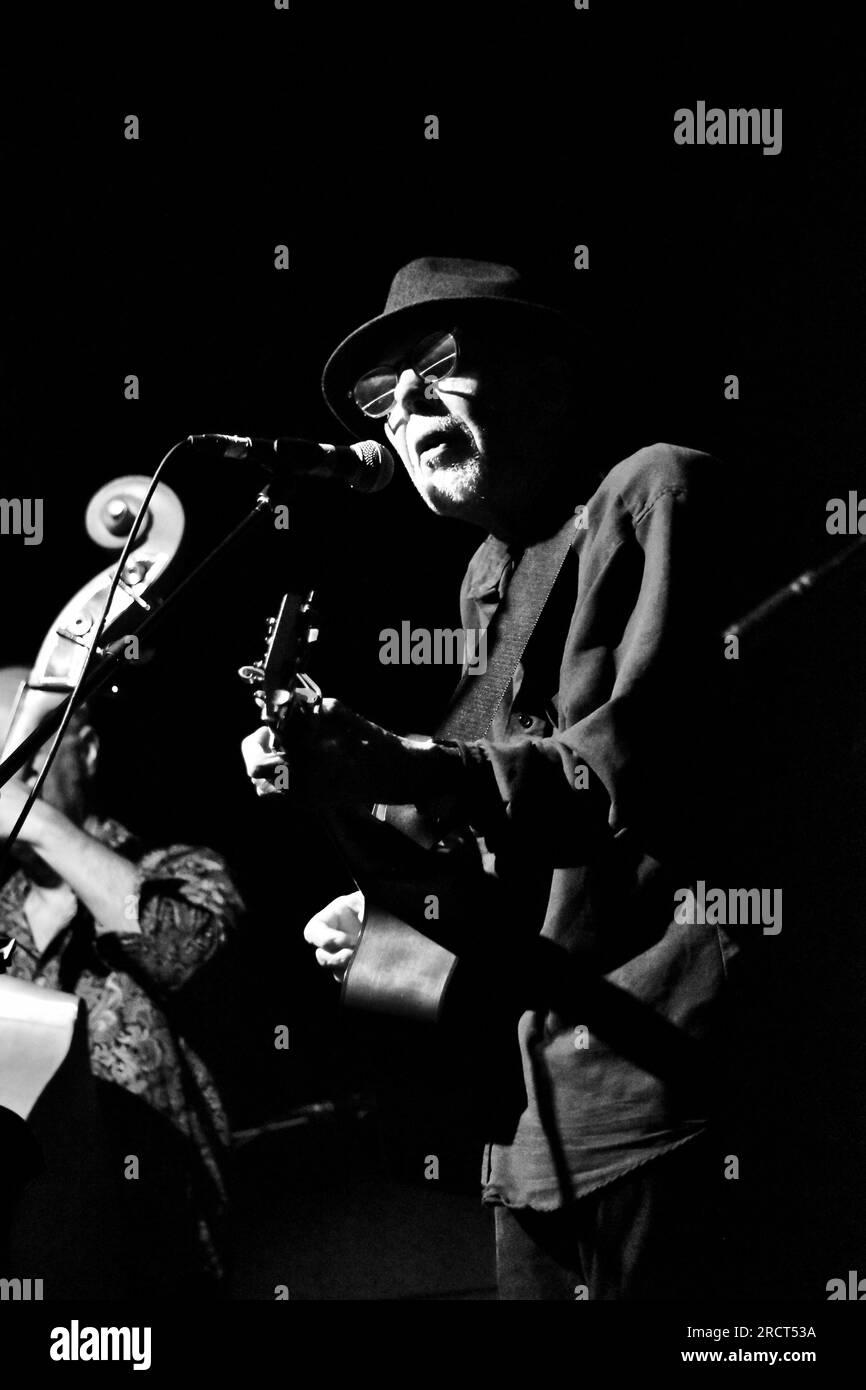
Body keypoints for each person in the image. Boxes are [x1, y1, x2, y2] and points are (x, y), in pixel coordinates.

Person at [242, 258, 751, 1300]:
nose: (405, 407)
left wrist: (405, 764)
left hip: (674, 1085)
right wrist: (368, 864)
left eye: (434, 366)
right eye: (382, 403)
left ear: (550, 374)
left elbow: (624, 775)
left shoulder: (655, 487)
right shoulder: (490, 577)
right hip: (542, 1121)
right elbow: (503, 850)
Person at [0, 667, 243, 1297]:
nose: (10, 773)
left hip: (166, 1249)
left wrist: (34, 821)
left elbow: (180, 951)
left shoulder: (176, 869)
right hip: (32, 1250)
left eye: (27, 752)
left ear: (86, 749)